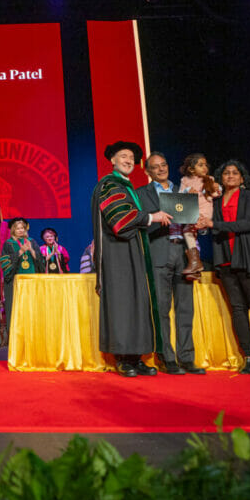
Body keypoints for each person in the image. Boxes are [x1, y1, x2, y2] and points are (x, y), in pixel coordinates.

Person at [91, 141, 173, 378]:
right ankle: (123, 359)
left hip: (132, 251)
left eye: (131, 158)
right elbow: (120, 220)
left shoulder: (126, 186)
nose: (128, 160)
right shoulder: (110, 184)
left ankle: (136, 357)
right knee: (123, 304)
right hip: (118, 253)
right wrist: (151, 217)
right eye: (123, 156)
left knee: (136, 301)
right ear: (112, 161)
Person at [198, 160, 250, 375]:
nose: (230, 176)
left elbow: (248, 223)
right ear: (220, 178)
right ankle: (249, 357)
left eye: (235, 173)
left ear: (242, 178)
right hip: (226, 261)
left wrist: (214, 224)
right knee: (238, 310)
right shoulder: (215, 201)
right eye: (226, 173)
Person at [138, 152, 204, 375]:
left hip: (184, 254)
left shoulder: (182, 191)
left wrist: (197, 220)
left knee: (186, 308)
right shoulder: (141, 194)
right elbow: (139, 224)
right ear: (148, 172)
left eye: (164, 165)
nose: (161, 169)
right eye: (155, 167)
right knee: (162, 309)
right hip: (159, 251)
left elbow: (195, 223)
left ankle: (187, 358)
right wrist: (155, 217)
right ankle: (167, 358)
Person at [0, 218, 45, 339]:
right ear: (13, 230)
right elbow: (5, 263)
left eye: (22, 228)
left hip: (32, 281)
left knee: (32, 309)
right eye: (18, 228)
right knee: (16, 310)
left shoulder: (32, 241)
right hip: (16, 283)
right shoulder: (8, 244)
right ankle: (16, 337)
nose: (20, 230)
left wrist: (30, 250)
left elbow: (40, 260)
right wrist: (20, 251)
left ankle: (34, 335)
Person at [178, 153, 222, 279]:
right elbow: (180, 194)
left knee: (189, 231)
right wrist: (187, 191)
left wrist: (216, 188)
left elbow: (214, 195)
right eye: (200, 165)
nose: (205, 168)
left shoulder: (209, 179)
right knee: (189, 232)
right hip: (191, 210)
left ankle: (196, 263)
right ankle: (195, 265)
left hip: (204, 212)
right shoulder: (185, 180)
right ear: (191, 169)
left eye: (205, 165)